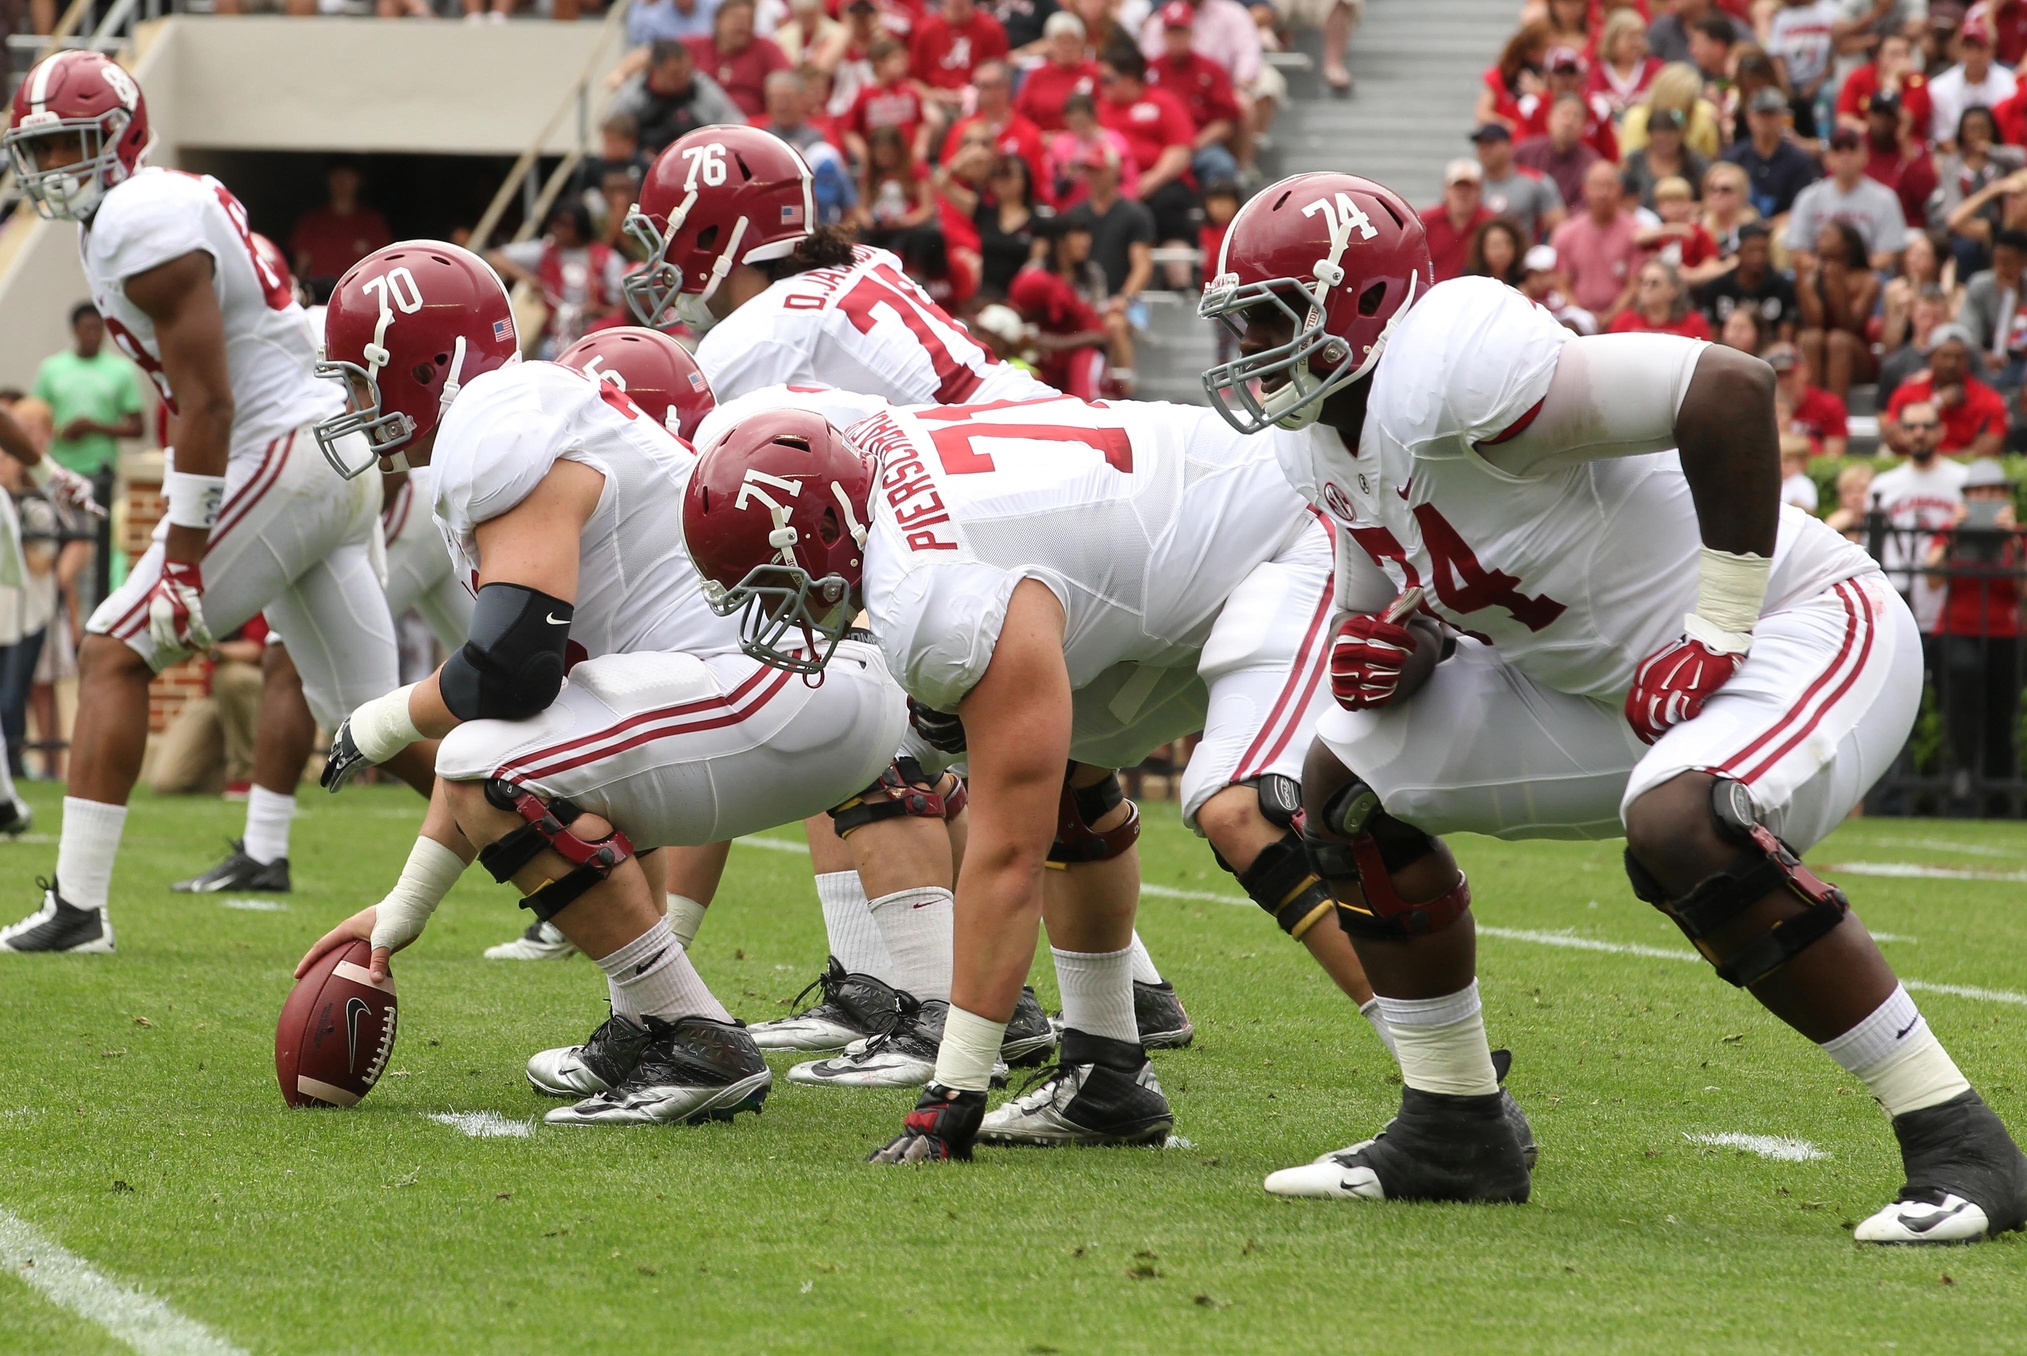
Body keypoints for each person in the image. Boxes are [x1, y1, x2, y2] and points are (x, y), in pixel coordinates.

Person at [1198, 168, 2027, 1244]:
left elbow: (1727, 387)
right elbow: (1397, 606)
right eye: (1241, 320)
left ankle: (1959, 1140)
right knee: (1342, 786)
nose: (1249, 346)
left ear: (1358, 305)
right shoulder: (1316, 442)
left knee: (1683, 825)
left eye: (1270, 316)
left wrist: (1716, 625)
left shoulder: (1449, 363)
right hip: (1600, 687)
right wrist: (1394, 653)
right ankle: (1454, 1127)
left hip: (1794, 623)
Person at [294, 252, 965, 1121]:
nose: (353, 409)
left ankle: (694, 1038)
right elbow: (520, 710)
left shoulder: (495, 423)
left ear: (423, 366)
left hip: (777, 686)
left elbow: (507, 667)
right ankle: (657, 1025)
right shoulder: (517, 414)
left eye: (360, 381)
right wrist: (401, 911)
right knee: (516, 759)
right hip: (807, 684)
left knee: (494, 765)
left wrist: (381, 721)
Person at [681, 390, 1422, 1162]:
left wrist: (954, 1090)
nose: (778, 614)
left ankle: (1453, 1095)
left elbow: (1006, 859)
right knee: (1070, 782)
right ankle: (1106, 1077)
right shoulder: (862, 450)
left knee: (1241, 809)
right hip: (1186, 541)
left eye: (778, 583)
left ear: (831, 528)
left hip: (1301, 528)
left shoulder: (931, 595)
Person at [0, 51, 412, 955]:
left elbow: (211, 402)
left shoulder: (140, 223)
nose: (54, 166)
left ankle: (77, 909)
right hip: (322, 450)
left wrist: (182, 552)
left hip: (284, 451)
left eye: (71, 143)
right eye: (42, 147)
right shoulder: (158, 204)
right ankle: (570, 858)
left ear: (119, 139)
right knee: (385, 725)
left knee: (112, 650)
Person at [1927, 457, 2023, 815]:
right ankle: (1963, 775)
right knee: (1961, 698)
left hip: (2006, 633)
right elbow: (1932, 578)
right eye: (1978, 492)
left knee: (2002, 715)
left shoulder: (2019, 534)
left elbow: (2022, 589)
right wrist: (1955, 536)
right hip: (1957, 629)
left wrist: (2011, 539)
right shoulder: (1951, 529)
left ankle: (1999, 795)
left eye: (1993, 492)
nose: (1985, 498)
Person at [1094, 41, 1200, 273]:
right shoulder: (1100, 110)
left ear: (1131, 78)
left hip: (1160, 185)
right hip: (1116, 187)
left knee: (1169, 209)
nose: (1102, 86)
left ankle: (1179, 285)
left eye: (1108, 80)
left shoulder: (1162, 102)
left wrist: (1153, 178)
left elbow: (1180, 149)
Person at [1870, 399, 1969, 635]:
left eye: (1927, 426)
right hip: (1897, 590)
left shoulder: (1964, 480)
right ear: (1901, 433)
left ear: (1941, 431)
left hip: (1949, 591)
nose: (1919, 433)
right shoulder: (1883, 485)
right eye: (1911, 427)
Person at [1063, 144, 1154, 382]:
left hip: (1123, 301)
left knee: (1114, 324)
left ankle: (1125, 390)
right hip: (1084, 298)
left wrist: (1124, 298)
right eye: (1088, 171)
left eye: (1098, 170)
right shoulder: (1075, 215)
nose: (1092, 177)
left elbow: (1142, 265)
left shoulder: (1134, 215)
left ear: (1114, 171)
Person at [148, 618, 264, 797]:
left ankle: (245, 778)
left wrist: (211, 650)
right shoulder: (203, 602)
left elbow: (256, 649)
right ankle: (255, 779)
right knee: (167, 783)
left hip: (255, 689)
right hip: (212, 695)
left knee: (231, 678)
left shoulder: (256, 598)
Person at [32, 302, 142, 483]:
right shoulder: (51, 368)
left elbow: (137, 428)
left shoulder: (122, 370)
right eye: (87, 329)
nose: (93, 335)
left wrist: (94, 427)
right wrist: (62, 432)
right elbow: (36, 418)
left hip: (100, 468)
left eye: (98, 329)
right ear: (74, 330)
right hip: (59, 466)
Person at [1146, 2, 1243, 188]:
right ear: (1163, 35)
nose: (1176, 38)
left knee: (1221, 166)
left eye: (1181, 31)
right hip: (1159, 144)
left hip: (1199, 144)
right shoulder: (1149, 70)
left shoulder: (1211, 69)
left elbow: (1226, 121)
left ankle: (1218, 216)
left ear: (1192, 33)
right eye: (1171, 32)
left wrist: (1192, 144)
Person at [1786, 128, 1909, 269]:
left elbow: (1888, 255)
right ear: (1826, 158)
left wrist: (1850, 272)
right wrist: (1827, 271)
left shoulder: (1885, 198)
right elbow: (1798, 251)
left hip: (1867, 275)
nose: (1845, 155)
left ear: (1865, 156)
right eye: (1837, 149)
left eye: (1852, 148)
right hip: (1821, 273)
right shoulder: (1808, 197)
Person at [1886, 326, 2009, 457]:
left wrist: (1940, 464)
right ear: (1931, 357)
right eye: (1944, 356)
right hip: (1915, 469)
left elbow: (1991, 448)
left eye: (1958, 357)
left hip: (1965, 473)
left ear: (1968, 359)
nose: (1951, 363)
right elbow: (1894, 441)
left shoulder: (1989, 398)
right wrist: (1935, 403)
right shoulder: (1906, 394)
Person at [609, 39, 746, 157]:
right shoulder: (634, 94)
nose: (684, 78)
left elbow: (736, 125)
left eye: (687, 71)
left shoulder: (700, 86)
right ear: (655, 71)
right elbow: (613, 134)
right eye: (675, 74)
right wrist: (638, 158)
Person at [1549, 158, 1646, 323]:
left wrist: (1610, 317)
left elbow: (1634, 285)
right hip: (1578, 320)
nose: (1603, 193)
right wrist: (1583, 318)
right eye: (1597, 186)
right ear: (1585, 189)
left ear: (1620, 189)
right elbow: (1562, 284)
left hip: (1623, 320)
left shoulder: (1636, 232)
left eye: (1609, 186)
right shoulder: (1566, 234)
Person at [1796, 219, 1882, 398]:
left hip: (1855, 355)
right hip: (1820, 349)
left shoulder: (1868, 280)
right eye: (1819, 235)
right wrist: (1802, 281)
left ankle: (1835, 414)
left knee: (1838, 340)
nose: (1819, 239)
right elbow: (1813, 323)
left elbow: (1850, 326)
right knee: (1811, 338)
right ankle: (1812, 412)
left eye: (1827, 235)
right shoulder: (1812, 277)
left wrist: (1837, 286)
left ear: (1847, 244)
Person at [286, 160, 392, 291]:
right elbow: (300, 268)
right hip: (319, 303)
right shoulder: (311, 221)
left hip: (358, 298)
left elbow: (384, 266)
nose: (342, 182)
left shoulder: (372, 222)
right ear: (328, 180)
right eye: (337, 176)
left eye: (348, 176)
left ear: (358, 180)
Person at [1723, 86, 1821, 222]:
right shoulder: (1735, 157)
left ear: (1783, 117)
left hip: (1785, 225)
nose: (1765, 120)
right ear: (1749, 117)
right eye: (1760, 114)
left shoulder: (1798, 160)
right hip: (1742, 224)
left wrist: (1770, 225)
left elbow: (1803, 207)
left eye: (1771, 114)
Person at [910, 0, 1009, 127]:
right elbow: (912, 80)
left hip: (978, 100)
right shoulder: (925, 28)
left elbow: (1000, 75)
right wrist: (933, 95)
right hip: (935, 100)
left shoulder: (991, 28)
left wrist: (974, 95)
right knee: (933, 121)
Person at [687, 0, 789, 120]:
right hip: (699, 125)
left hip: (753, 127)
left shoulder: (766, 49)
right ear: (718, 21)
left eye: (748, 20)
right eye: (736, 19)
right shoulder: (693, 47)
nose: (742, 25)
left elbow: (787, 82)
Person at [1953, 227, 2027, 390]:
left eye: (2007, 262)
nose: (2000, 268)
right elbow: (1967, 332)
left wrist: (2014, 303)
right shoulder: (1979, 285)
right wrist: (1982, 356)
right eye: (1996, 261)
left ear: (2023, 261)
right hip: (1986, 355)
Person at [1699, 222, 1798, 340]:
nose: (1758, 257)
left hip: (1769, 352)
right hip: (1726, 352)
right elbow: (1712, 334)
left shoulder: (1782, 286)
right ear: (1737, 252)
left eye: (1763, 251)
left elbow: (1785, 338)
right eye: (1751, 250)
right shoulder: (1717, 288)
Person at [938, 59, 1043, 170]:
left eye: (985, 86)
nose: (978, 92)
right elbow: (944, 173)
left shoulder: (1028, 133)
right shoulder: (962, 128)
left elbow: (1036, 182)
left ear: (1004, 89)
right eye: (976, 85)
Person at [1928, 20, 2016, 149]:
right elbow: (1942, 134)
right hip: (1956, 157)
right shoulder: (1938, 87)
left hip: (2001, 156)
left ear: (1992, 49)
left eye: (1980, 48)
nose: (1974, 56)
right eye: (1968, 48)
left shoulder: (2011, 84)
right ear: (1959, 50)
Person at [1472, 123, 1564, 243]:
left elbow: (1559, 226)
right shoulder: (1469, 185)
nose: (1484, 149)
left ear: (1509, 146)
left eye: (1491, 143)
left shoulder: (1535, 181)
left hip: (1525, 258)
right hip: (1479, 259)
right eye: (1480, 144)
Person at [1515, 93, 1604, 213]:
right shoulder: (1525, 152)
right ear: (1549, 118)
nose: (1569, 122)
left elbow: (1587, 207)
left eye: (1576, 116)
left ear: (1584, 126)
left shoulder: (1592, 164)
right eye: (1564, 114)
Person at [1835, 31, 1931, 139]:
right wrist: (1871, 132)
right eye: (1894, 54)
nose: (1901, 59)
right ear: (1880, 56)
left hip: (1907, 145)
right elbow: (1844, 119)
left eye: (1905, 54)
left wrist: (1892, 84)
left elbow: (1905, 124)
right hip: (1866, 144)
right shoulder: (1859, 76)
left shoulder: (1918, 81)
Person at [1016, 11, 1101, 133]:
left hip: (1085, 139)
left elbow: (1105, 111)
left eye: (1073, 41)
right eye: (1061, 41)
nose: (1067, 47)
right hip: (1044, 139)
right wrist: (1039, 137)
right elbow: (1021, 115)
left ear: (1082, 44)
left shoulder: (1095, 72)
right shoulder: (1037, 74)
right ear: (1050, 44)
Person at [973, 154, 1043, 298]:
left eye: (1008, 174)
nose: (1002, 180)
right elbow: (942, 181)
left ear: (1025, 179)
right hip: (985, 297)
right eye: (998, 175)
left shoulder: (1039, 220)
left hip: (1020, 301)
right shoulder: (984, 212)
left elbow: (1036, 266)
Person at [1767, 0, 1840, 137]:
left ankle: (1829, 142)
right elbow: (1777, 57)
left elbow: (1835, 58)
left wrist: (1815, 85)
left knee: (1829, 93)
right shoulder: (1782, 17)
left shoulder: (1830, 12)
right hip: (1792, 81)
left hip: (1823, 80)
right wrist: (1785, 85)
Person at [1879, 284, 1959, 406]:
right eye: (1924, 316)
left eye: (1936, 317)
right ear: (1912, 315)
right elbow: (1883, 414)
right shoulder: (1895, 364)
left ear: (1947, 317)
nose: (1929, 323)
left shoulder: (1961, 359)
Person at [1767, 341, 1850, 455]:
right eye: (1779, 375)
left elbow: (1833, 458)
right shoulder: (1762, 408)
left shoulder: (1829, 405)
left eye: (1789, 374)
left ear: (1805, 371)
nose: (1785, 382)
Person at [1421, 160, 1495, 284]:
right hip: (1434, 296)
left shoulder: (1490, 224)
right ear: (1446, 190)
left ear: (1480, 191)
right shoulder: (1426, 222)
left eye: (1469, 188)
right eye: (1458, 188)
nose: (1463, 194)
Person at [1621, 107, 1707, 211]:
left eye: (1669, 141)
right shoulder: (1634, 161)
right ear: (1649, 136)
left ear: (1679, 136)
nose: (1664, 146)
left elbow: (1708, 196)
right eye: (1659, 141)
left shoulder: (1695, 162)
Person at [1607, 257, 1713, 338]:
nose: (1647, 288)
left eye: (1654, 283)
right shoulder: (1624, 321)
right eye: (1643, 282)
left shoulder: (1694, 323)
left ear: (1673, 290)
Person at [1586, 6, 1661, 116]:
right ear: (1612, 40)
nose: (1637, 43)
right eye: (1631, 37)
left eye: (1641, 36)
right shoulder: (1597, 73)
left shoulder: (1656, 69)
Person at [1466, 218, 1528, 287]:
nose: (1502, 252)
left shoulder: (1525, 279)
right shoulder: (1470, 280)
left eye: (1507, 245)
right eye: (1494, 245)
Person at [1779, 434, 1821, 510]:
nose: (1781, 465)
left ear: (1802, 463)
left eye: (1787, 461)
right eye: (1778, 461)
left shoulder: (1803, 484)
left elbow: (1810, 511)